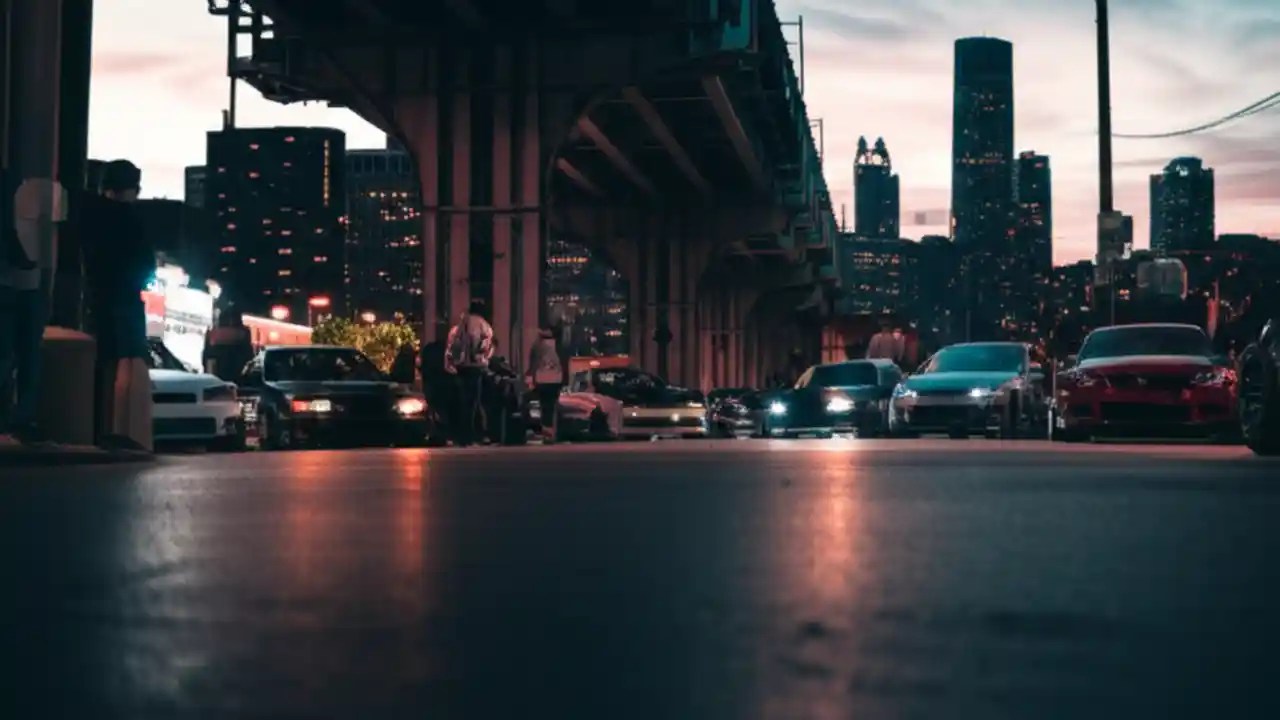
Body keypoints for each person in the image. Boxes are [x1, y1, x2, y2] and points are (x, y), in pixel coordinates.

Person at [84, 160, 155, 451]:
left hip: (97, 297)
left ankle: (96, 426)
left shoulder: (89, 216)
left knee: (101, 360)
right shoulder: (130, 220)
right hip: (125, 297)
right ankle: (122, 428)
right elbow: (145, 262)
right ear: (130, 189)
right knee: (126, 359)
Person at [0, 169, 66, 446]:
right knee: (27, 356)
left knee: (9, 355)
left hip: (12, 285)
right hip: (26, 285)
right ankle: (20, 419)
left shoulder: (13, 190)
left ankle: (10, 419)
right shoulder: (46, 193)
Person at [445, 300, 494, 447]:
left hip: (461, 366)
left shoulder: (460, 325)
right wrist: (479, 356)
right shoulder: (483, 325)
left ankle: (461, 435)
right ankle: (473, 435)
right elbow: (482, 344)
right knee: (474, 401)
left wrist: (453, 361)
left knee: (463, 401)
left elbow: (452, 345)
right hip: (475, 366)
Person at [526, 324, 564, 441]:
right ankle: (553, 432)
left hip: (542, 379)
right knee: (552, 406)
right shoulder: (558, 345)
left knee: (544, 406)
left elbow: (534, 362)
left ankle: (546, 431)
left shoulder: (538, 345)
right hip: (556, 378)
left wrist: (530, 375)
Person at [204, 309, 255, 382]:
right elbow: (249, 354)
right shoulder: (243, 332)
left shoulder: (212, 332)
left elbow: (207, 355)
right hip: (237, 372)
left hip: (217, 375)